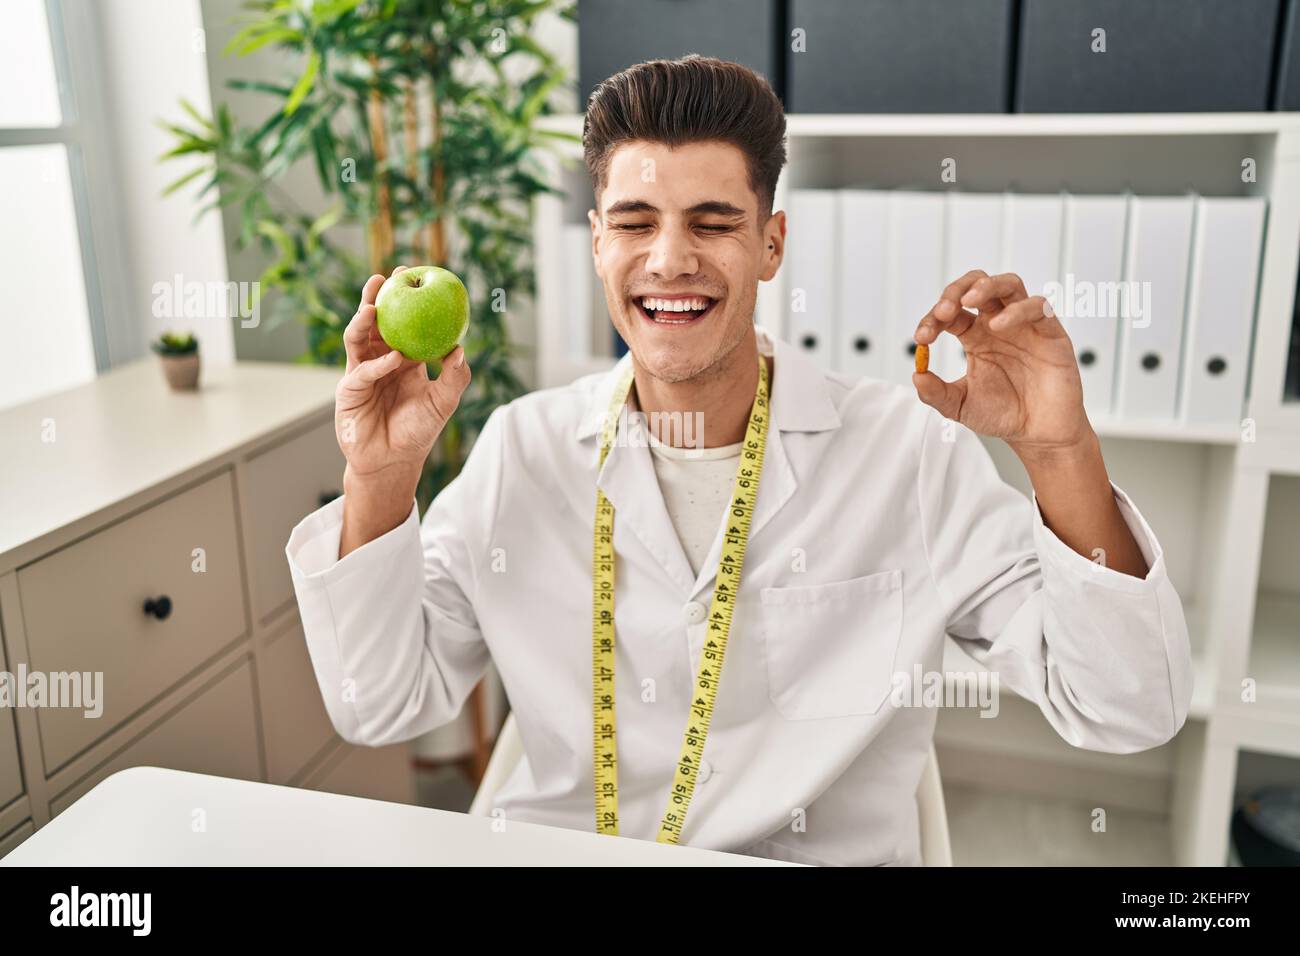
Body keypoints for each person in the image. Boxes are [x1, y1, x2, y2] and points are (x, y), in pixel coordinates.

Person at [286, 55, 1192, 866]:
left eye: (713, 223)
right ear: (598, 241)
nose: (670, 259)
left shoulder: (907, 454)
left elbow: (1127, 708)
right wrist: (379, 477)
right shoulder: (523, 448)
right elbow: (379, 704)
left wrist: (1058, 451)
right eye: (635, 222)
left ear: (771, 244)